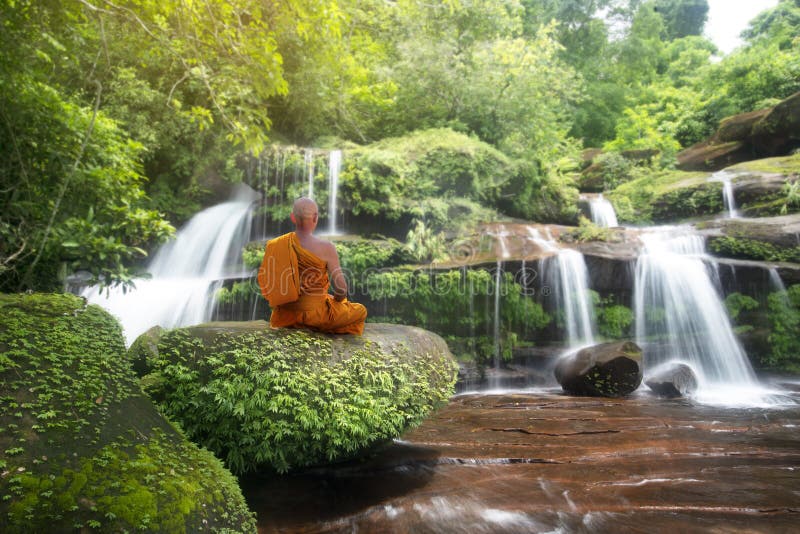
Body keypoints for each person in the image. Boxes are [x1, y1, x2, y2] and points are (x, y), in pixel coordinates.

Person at [257, 197, 367, 335]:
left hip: (285, 317)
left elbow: (267, 284)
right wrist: (337, 303)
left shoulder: (275, 245)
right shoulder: (327, 247)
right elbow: (341, 289)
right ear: (315, 218)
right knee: (361, 310)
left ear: (293, 218)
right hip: (317, 317)